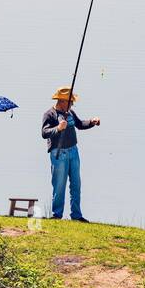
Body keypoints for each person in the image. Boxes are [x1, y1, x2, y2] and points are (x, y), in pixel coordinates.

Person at [40, 86, 100, 221]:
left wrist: (92, 122)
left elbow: (80, 124)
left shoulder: (70, 112)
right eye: (70, 101)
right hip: (59, 154)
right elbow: (44, 133)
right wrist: (58, 128)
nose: (72, 104)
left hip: (73, 151)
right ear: (61, 101)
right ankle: (57, 215)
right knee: (59, 186)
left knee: (76, 185)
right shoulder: (49, 114)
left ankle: (77, 215)